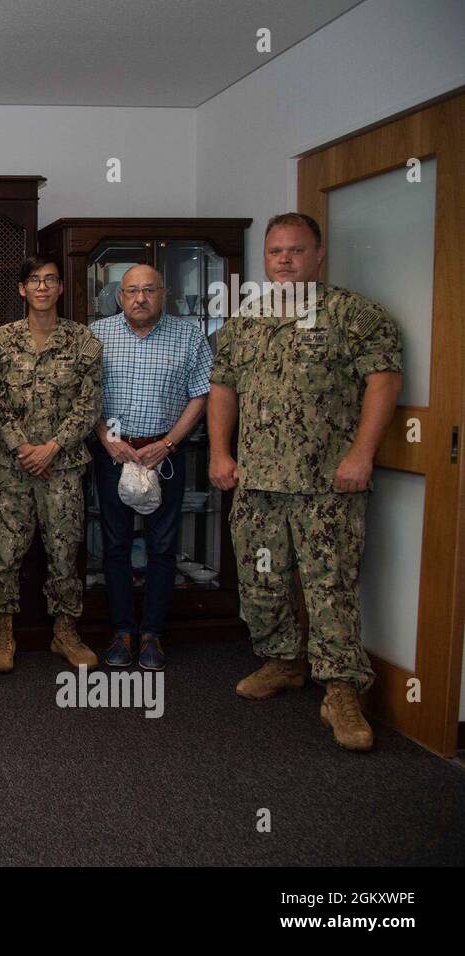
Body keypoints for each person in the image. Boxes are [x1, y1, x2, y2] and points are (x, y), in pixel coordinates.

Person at [208, 212, 402, 752]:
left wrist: (362, 454)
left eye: (296, 250)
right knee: (260, 580)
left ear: (319, 254)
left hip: (327, 485)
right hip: (257, 482)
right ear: (265, 258)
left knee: (330, 585)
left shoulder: (354, 315)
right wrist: (220, 453)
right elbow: (223, 387)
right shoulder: (245, 320)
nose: (285, 260)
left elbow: (384, 382)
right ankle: (282, 661)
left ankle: (341, 690)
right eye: (276, 251)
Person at [90, 264, 211, 670]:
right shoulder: (97, 335)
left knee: (162, 547)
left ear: (164, 293)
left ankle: (153, 634)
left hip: (165, 454)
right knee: (115, 545)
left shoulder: (188, 336)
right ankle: (123, 631)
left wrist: (168, 443)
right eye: (131, 291)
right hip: (115, 454)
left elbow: (201, 394)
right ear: (120, 297)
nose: (140, 298)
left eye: (149, 290)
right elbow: (83, 394)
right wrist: (107, 438)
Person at [0, 257, 102, 673]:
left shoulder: (82, 340)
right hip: (11, 466)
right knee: (4, 552)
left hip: (63, 467)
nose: (42, 287)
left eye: (50, 280)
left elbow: (89, 403)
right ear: (22, 289)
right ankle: (3, 631)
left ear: (60, 288)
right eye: (34, 280)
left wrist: (51, 448)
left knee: (64, 551)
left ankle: (65, 631)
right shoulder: (1, 340)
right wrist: (23, 448)